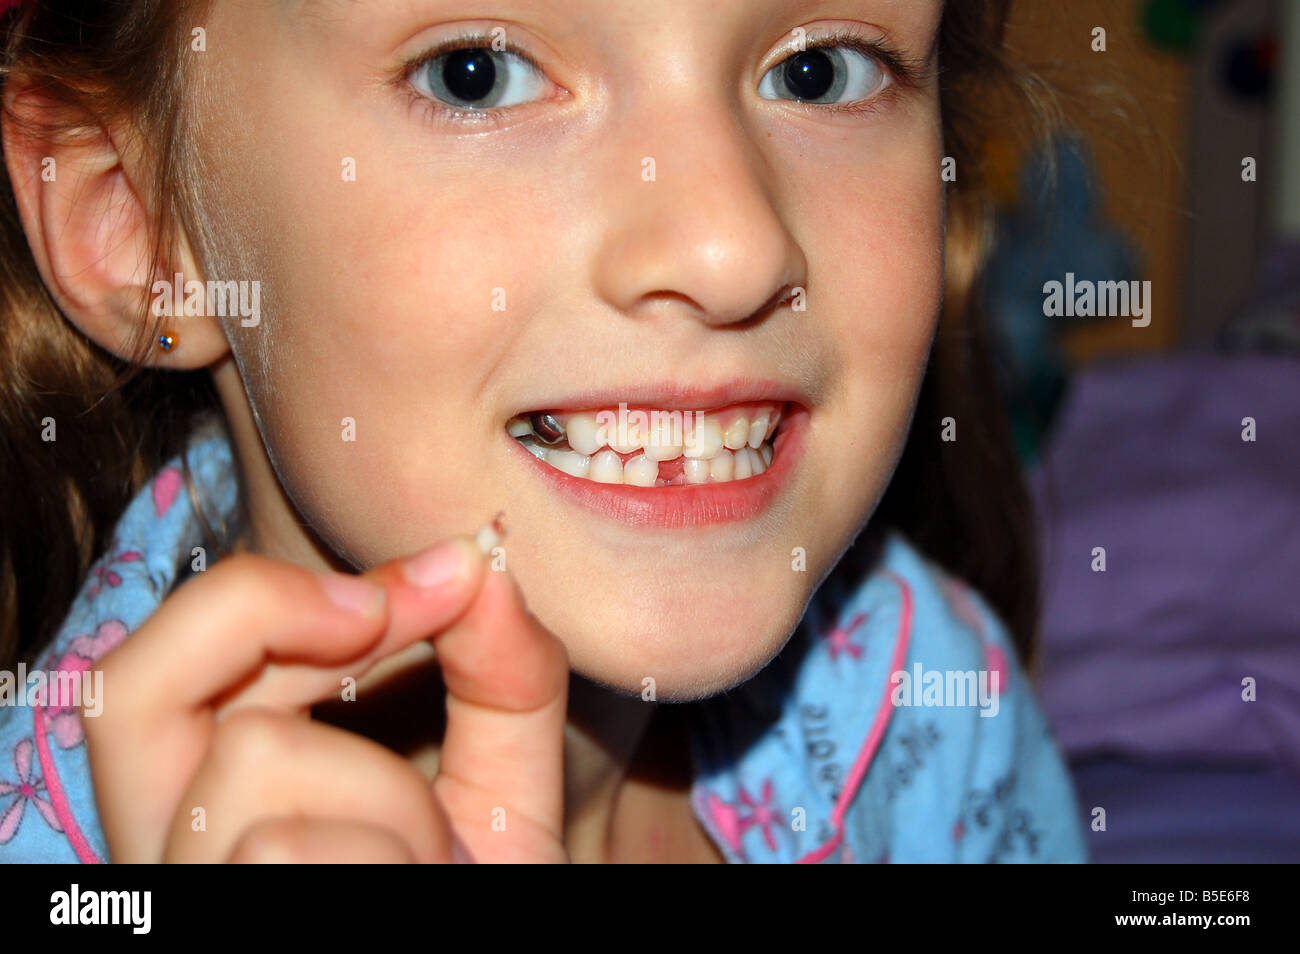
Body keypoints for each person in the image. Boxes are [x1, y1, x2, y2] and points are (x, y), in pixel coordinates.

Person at [0, 0, 1086, 863]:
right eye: (476, 71)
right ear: (134, 218)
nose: (729, 247)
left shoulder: (928, 706)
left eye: (822, 69)